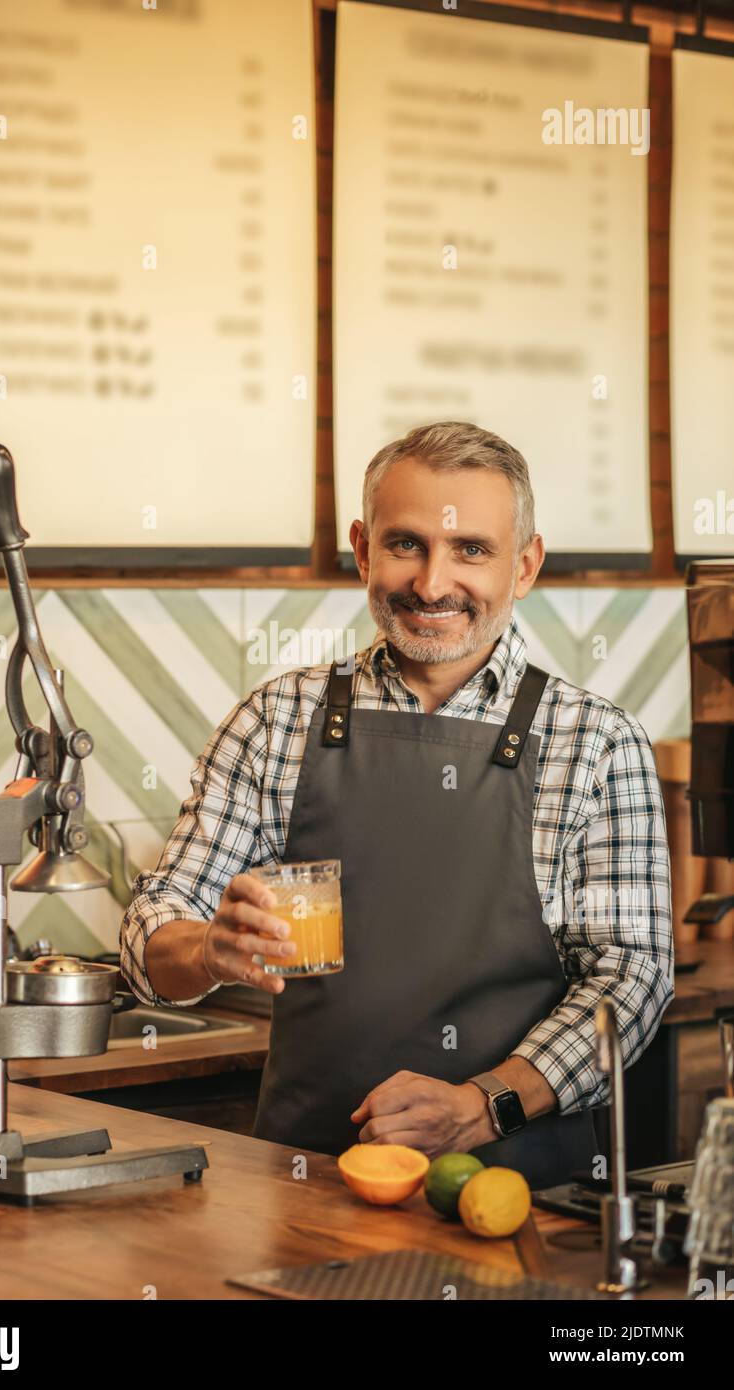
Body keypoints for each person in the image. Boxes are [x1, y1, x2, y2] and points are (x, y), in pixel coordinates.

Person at [120, 421, 674, 1189]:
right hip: (304, 1186)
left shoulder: (598, 744)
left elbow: (631, 982)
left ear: (525, 565)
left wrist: (481, 1106)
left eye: (471, 550)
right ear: (363, 550)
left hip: (519, 1192)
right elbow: (156, 925)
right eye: (406, 544)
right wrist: (208, 951)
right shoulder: (278, 718)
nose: (433, 583)